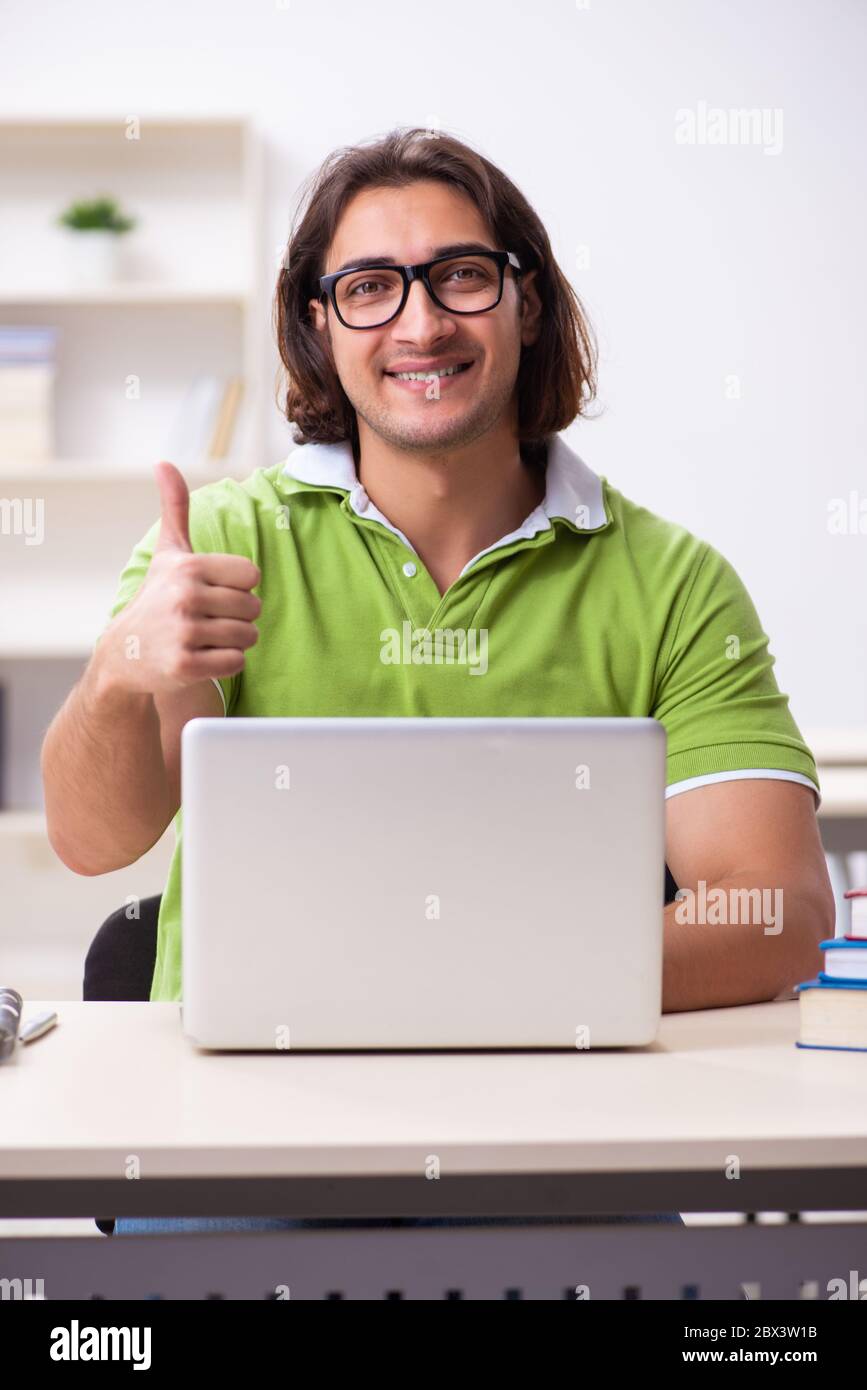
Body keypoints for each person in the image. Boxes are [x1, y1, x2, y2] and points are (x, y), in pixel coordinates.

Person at [42, 128, 833, 1237]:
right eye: (369, 287)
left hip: (573, 1152)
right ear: (318, 325)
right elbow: (90, 838)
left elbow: (778, 911)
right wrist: (123, 670)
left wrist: (439, 979)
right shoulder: (215, 540)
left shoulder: (673, 581)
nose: (421, 323)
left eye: (462, 275)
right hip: (234, 1146)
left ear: (529, 304)